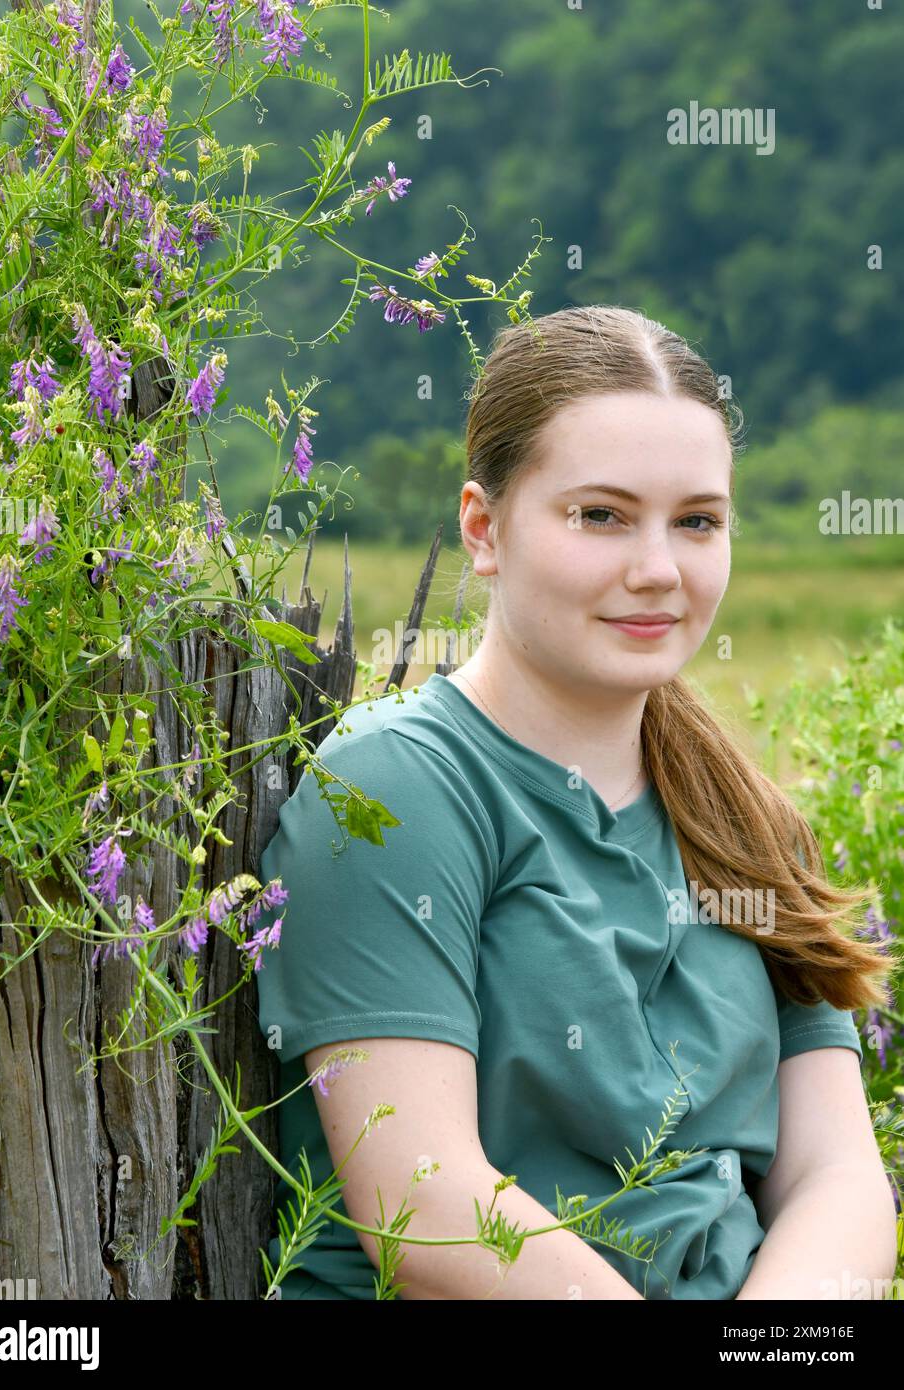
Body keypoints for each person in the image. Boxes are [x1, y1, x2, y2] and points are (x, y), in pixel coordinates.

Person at [257, 304, 898, 1300]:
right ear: (483, 527)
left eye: (695, 520)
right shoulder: (391, 791)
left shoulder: (750, 824)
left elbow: (835, 1176)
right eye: (598, 514)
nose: (655, 569)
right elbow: (421, 1205)